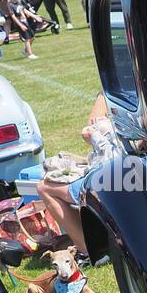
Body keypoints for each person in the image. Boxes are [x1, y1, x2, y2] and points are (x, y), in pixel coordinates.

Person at [39, 94, 110, 257]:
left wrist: (94, 134)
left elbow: (90, 134)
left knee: (44, 188)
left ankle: (88, 250)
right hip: (142, 171)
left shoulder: (112, 92)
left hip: (113, 177)